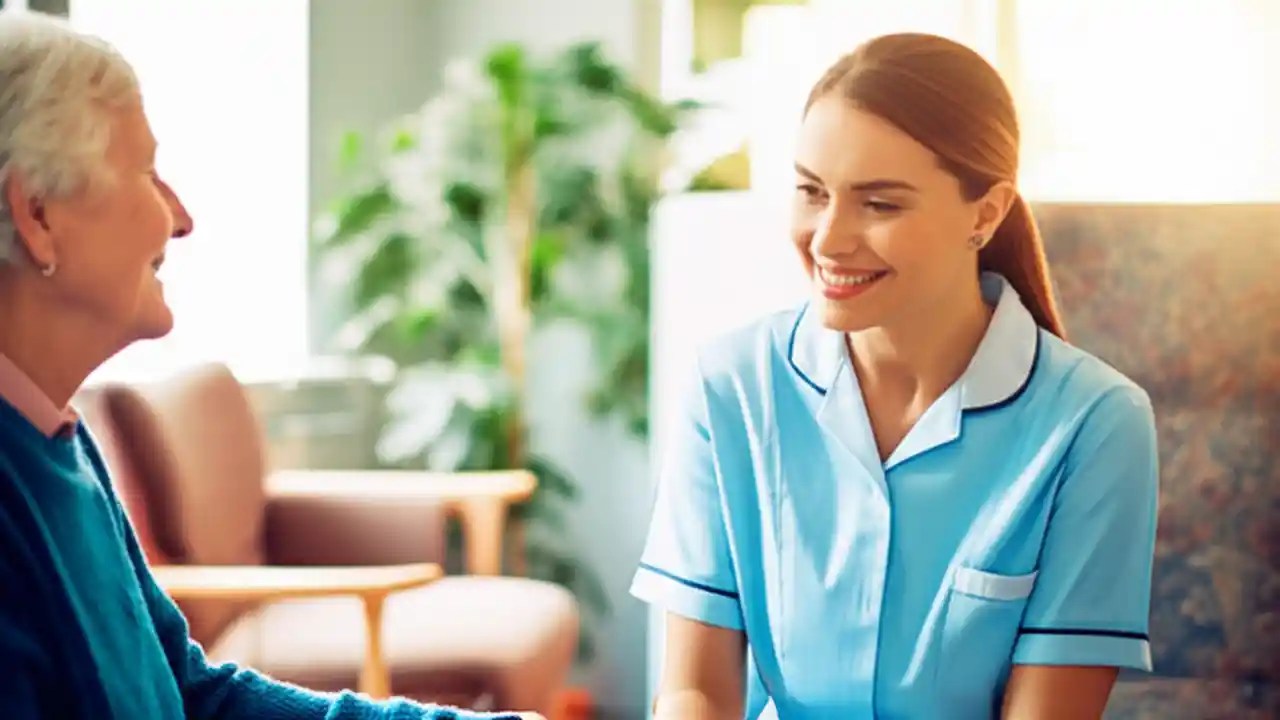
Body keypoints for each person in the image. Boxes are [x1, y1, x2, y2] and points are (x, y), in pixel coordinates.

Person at [0, 10, 541, 720]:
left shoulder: (61, 446)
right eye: (146, 171)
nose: (181, 217)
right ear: (37, 214)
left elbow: (191, 694)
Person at [632, 32, 1159, 720]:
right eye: (812, 192)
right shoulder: (730, 386)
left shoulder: (1094, 425)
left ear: (986, 213)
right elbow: (693, 689)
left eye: (879, 204)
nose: (828, 238)